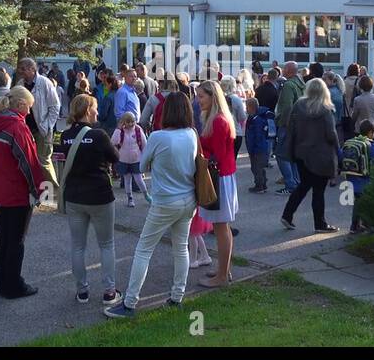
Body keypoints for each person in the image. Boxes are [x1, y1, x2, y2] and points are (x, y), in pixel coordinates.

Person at [104, 92, 198, 318]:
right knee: (180, 248)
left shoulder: (158, 136)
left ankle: (129, 302)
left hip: (165, 201)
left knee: (144, 250)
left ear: (166, 112)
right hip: (188, 199)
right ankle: (177, 296)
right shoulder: (192, 133)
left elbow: (142, 164)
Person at [59, 94, 123, 307]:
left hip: (75, 197)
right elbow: (116, 157)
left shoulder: (65, 135)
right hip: (100, 196)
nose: (97, 112)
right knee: (106, 244)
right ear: (87, 110)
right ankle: (109, 291)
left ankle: (82, 291)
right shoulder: (99, 135)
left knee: (78, 246)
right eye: (94, 108)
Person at [0, 86, 48, 299]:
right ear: (20, 105)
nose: (30, 112)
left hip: (0, 188)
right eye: (29, 107)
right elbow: (29, 164)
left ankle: (3, 283)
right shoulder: (17, 128)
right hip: (17, 191)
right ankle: (14, 285)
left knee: (4, 237)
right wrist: (39, 191)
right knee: (16, 240)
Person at [280, 78, 339, 233]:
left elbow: (290, 127)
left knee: (304, 186)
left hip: (301, 153)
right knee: (318, 191)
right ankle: (320, 224)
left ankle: (287, 215)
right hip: (321, 156)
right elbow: (331, 134)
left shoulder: (298, 106)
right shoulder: (325, 110)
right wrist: (338, 151)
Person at [195, 80, 238, 288]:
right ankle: (224, 269)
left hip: (219, 177)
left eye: (201, 96)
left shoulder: (219, 121)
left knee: (221, 228)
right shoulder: (216, 119)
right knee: (223, 227)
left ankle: (222, 276)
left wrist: (200, 150)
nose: (198, 100)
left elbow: (218, 156)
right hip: (222, 176)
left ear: (213, 97)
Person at [13, 58, 61, 186]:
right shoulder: (20, 85)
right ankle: (37, 190)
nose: (20, 71)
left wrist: (47, 125)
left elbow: (55, 106)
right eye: (20, 68)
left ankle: (54, 191)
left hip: (42, 129)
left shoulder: (44, 83)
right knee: (29, 160)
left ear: (32, 69)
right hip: (26, 129)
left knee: (43, 160)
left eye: (23, 68)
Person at [340, 120, 374, 234]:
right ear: (369, 132)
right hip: (365, 180)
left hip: (350, 178)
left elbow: (340, 155)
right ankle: (368, 226)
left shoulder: (351, 142)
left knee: (358, 201)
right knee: (366, 202)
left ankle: (354, 226)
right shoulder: (371, 146)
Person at [274, 61, 305, 195]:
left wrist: (281, 122)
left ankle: (290, 185)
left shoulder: (288, 85)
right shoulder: (301, 85)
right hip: (298, 124)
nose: (282, 70)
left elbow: (287, 107)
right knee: (292, 155)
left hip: (287, 125)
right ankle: (296, 182)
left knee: (281, 155)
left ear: (288, 70)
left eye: (284, 68)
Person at [112, 112, 150, 208]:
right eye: (128, 122)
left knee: (139, 179)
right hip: (123, 160)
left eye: (132, 121)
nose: (131, 124)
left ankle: (146, 195)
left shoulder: (138, 130)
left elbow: (144, 144)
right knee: (127, 180)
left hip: (136, 159)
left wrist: (145, 157)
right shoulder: (121, 131)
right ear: (123, 122)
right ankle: (130, 198)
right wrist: (118, 129)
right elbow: (113, 141)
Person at [244, 97, 274, 194]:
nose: (246, 109)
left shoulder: (256, 120)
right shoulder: (254, 118)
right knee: (259, 167)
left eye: (247, 107)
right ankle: (263, 183)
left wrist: (254, 148)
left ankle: (259, 185)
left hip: (258, 148)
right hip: (258, 147)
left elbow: (258, 135)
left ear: (251, 107)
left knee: (256, 168)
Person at [219, 75, 247, 159]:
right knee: (232, 160)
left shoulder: (218, 98)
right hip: (235, 132)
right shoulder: (236, 99)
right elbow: (242, 117)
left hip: (221, 132)